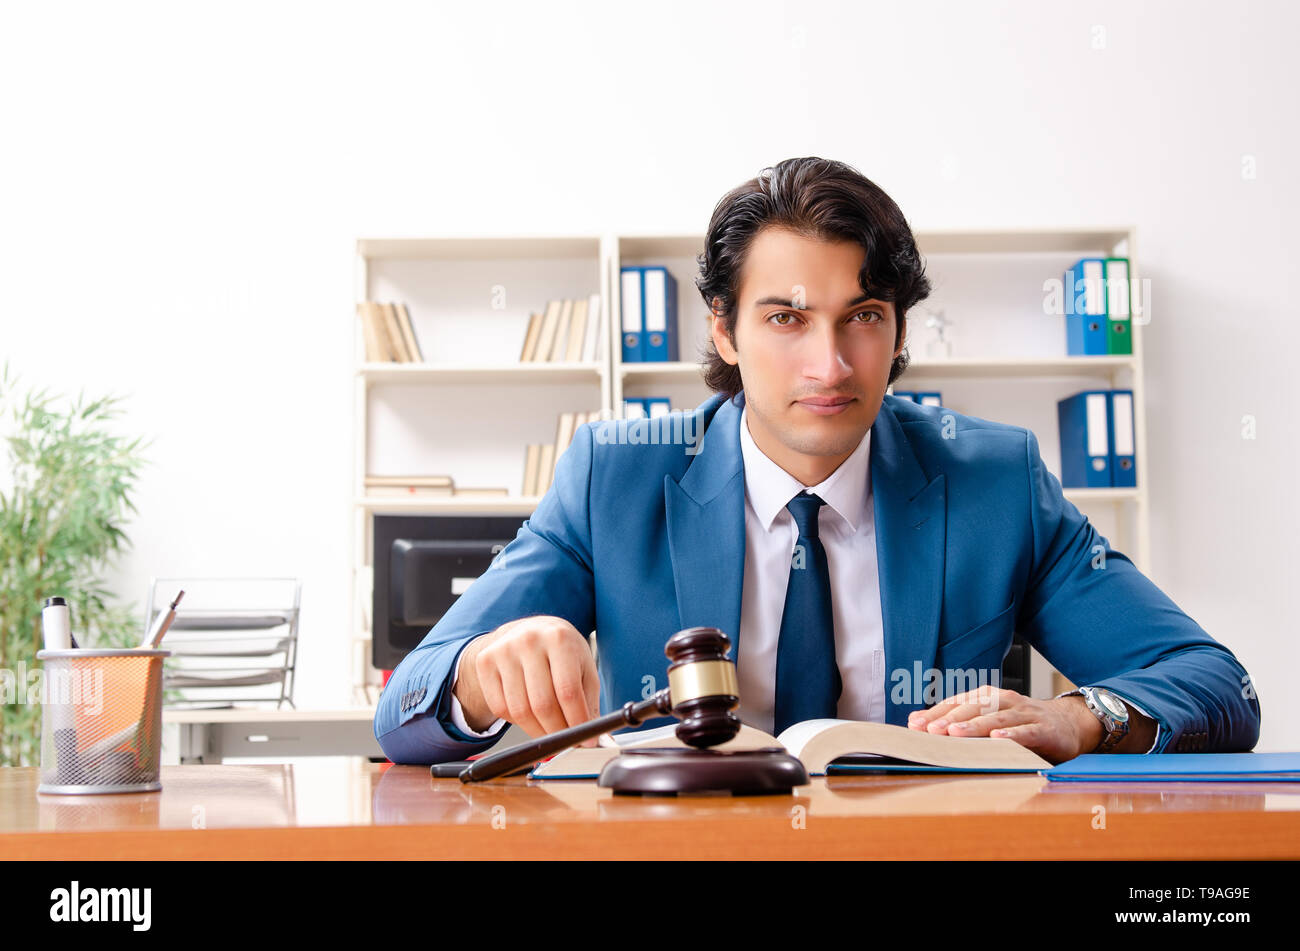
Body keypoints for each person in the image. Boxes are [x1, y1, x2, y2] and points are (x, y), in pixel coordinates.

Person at [373, 156, 1260, 766]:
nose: (830, 366)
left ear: (899, 328)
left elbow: (1217, 683)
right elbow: (403, 708)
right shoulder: (618, 475)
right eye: (787, 318)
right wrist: (479, 676)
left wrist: (1079, 715)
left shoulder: (998, 480)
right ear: (722, 326)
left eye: (864, 315)